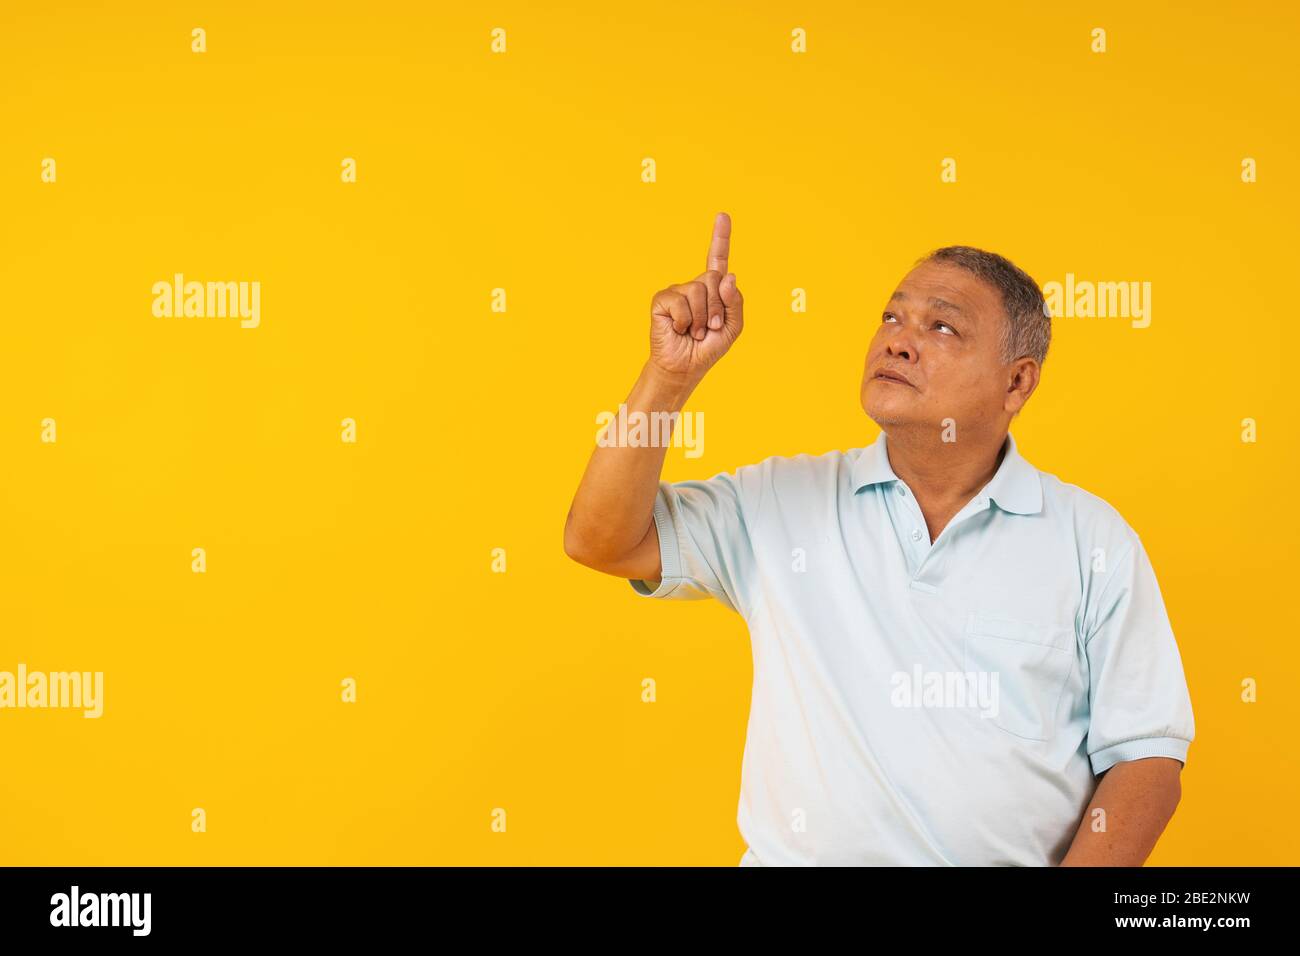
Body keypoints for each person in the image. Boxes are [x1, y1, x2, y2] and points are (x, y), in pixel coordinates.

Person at [563, 212, 1194, 866]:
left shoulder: (1093, 542)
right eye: (892, 318)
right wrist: (669, 378)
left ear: (1017, 382)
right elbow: (601, 539)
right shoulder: (780, 502)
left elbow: (1146, 759)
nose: (898, 341)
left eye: (942, 326)